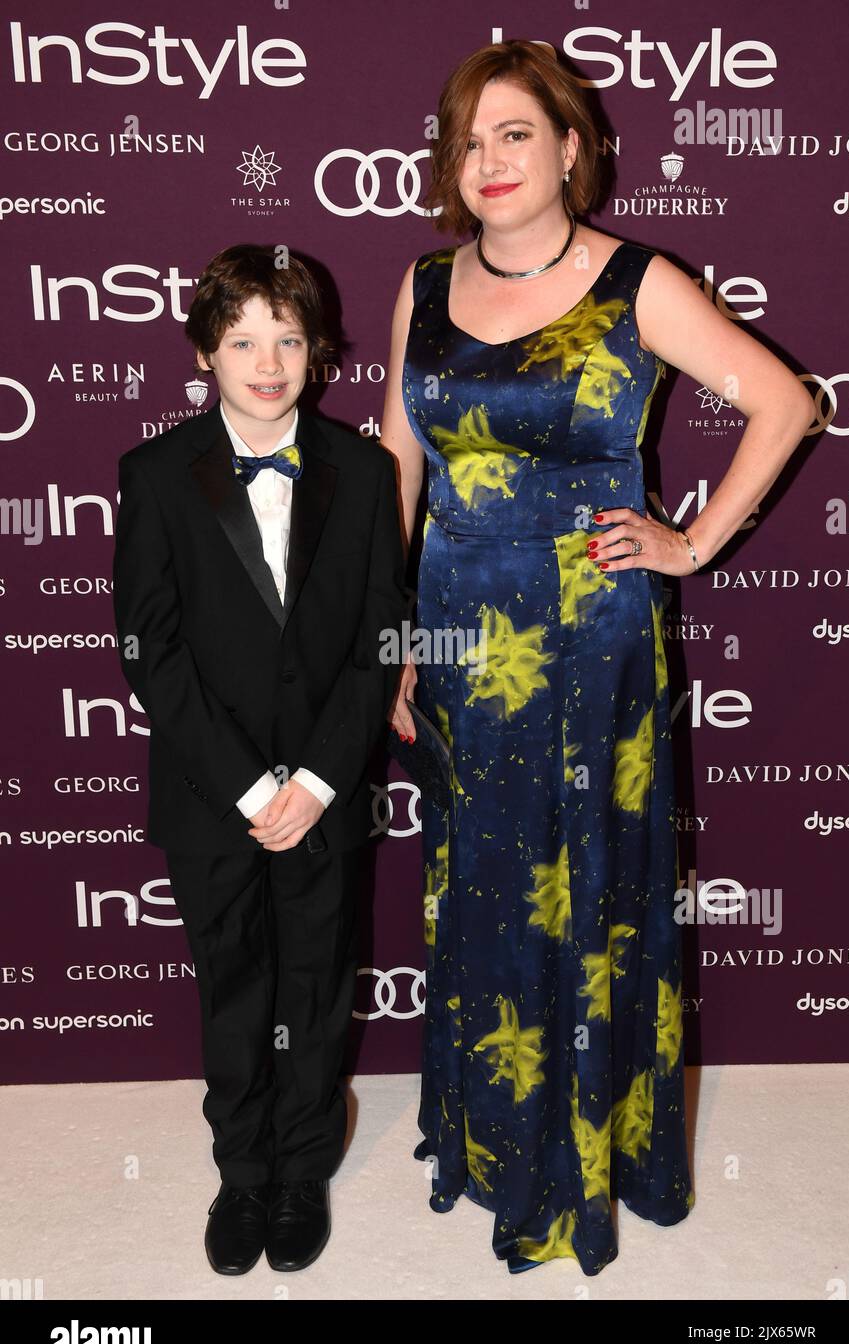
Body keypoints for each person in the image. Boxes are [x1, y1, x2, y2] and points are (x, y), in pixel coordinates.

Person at [380, 39, 813, 1275]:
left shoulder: (635, 282)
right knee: (481, 882)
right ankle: (491, 1135)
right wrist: (398, 641)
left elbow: (781, 403)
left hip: (588, 635)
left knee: (587, 885)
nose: (488, 162)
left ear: (573, 149)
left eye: (515, 134)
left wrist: (691, 543)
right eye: (468, 142)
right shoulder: (423, 282)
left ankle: (586, 1153)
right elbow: (402, 475)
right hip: (462, 633)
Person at [112, 243, 410, 1276]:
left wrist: (318, 780)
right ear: (204, 351)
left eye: (288, 337)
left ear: (318, 349)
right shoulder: (152, 476)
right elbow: (151, 651)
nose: (268, 360)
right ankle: (242, 1175)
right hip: (211, 795)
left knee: (317, 984)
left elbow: (381, 638)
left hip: (324, 792)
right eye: (243, 340)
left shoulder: (367, 474)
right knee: (234, 985)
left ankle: (300, 1173)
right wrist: (250, 783)